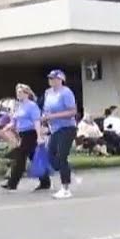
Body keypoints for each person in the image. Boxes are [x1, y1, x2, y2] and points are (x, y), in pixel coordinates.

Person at [41, 69, 79, 199]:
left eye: (53, 78)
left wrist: (54, 116)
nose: (51, 81)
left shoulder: (66, 92)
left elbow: (72, 111)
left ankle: (65, 188)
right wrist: (44, 120)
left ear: (60, 79)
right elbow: (46, 111)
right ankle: (68, 173)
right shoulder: (48, 93)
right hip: (55, 129)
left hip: (67, 128)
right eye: (50, 78)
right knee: (50, 155)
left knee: (62, 156)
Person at [1, 84, 44, 192]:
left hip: (31, 133)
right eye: (17, 92)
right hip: (22, 134)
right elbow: (15, 121)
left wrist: (39, 136)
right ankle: (45, 181)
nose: (18, 94)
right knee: (33, 157)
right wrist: (9, 126)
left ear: (27, 93)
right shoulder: (19, 106)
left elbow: (36, 121)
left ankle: (12, 183)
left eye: (20, 92)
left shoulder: (32, 106)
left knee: (20, 156)